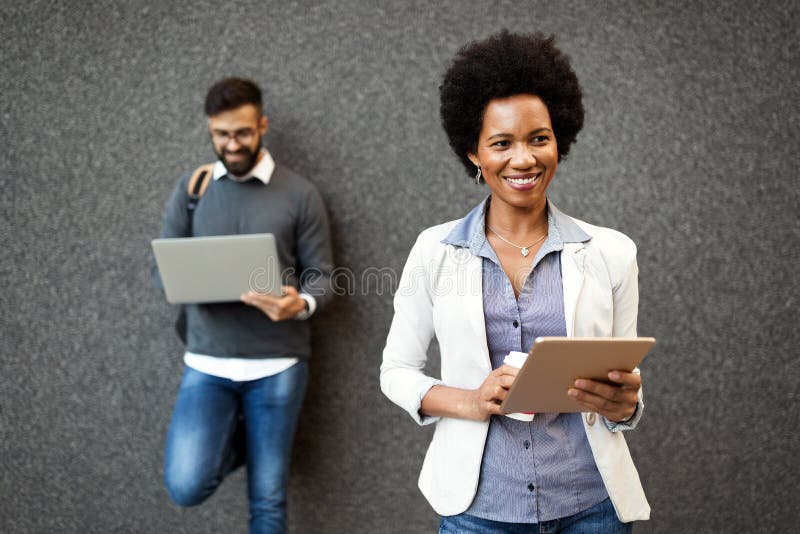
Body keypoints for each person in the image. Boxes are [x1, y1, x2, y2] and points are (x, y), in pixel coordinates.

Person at [380, 31, 650, 532]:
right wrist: (471, 399)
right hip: (480, 511)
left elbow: (623, 390)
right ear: (474, 154)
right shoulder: (434, 251)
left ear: (559, 140)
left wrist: (625, 401)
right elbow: (395, 371)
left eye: (538, 139)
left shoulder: (612, 252)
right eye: (501, 143)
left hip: (592, 508)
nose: (523, 159)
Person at [154, 77, 333, 533]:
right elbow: (163, 270)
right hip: (206, 364)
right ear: (210, 131)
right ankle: (244, 441)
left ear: (262, 126)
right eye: (221, 135)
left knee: (268, 501)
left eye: (243, 133)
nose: (232, 145)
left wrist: (301, 304)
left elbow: (323, 279)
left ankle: (259, 443)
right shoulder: (192, 189)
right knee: (185, 483)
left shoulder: (300, 194)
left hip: (277, 366)